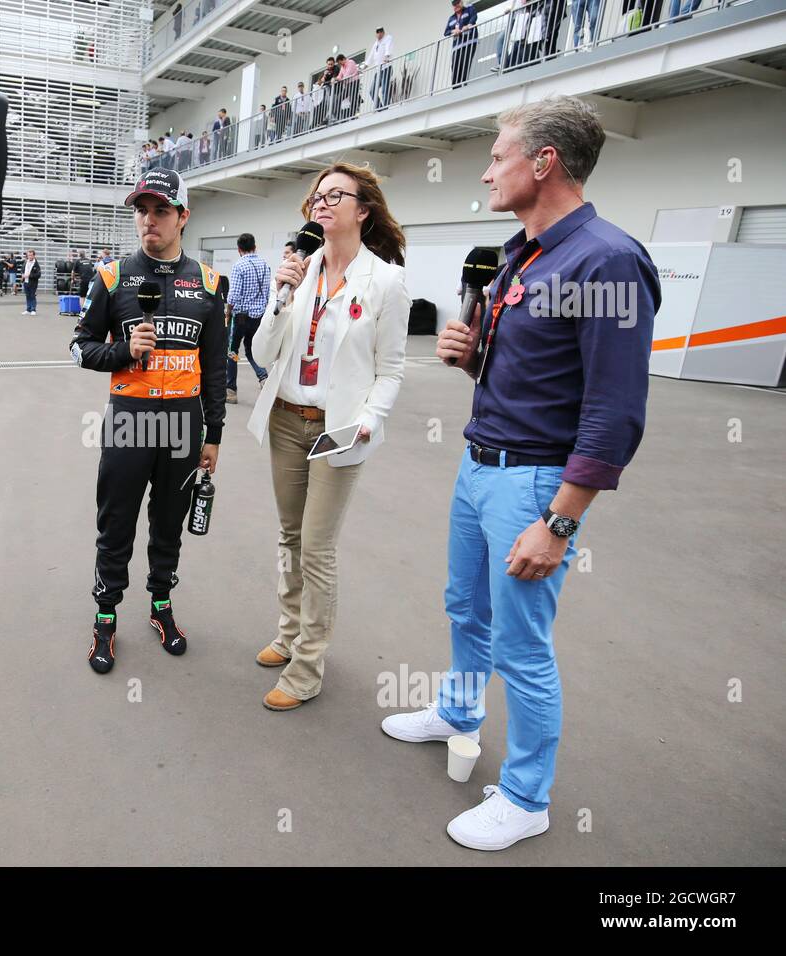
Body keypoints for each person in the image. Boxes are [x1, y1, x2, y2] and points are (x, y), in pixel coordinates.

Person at [388, 96, 659, 851]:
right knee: (464, 610)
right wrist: (471, 356)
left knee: (522, 645)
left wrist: (560, 521)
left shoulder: (605, 259)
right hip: (479, 467)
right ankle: (458, 711)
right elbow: (539, 373)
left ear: (544, 163)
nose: (484, 173)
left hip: (534, 485)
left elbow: (613, 411)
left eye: (498, 157)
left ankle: (527, 796)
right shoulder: (523, 253)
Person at [246, 163, 410, 712]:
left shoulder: (384, 281)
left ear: (362, 210)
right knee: (289, 536)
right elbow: (264, 354)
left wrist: (370, 417)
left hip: (340, 428)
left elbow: (391, 369)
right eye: (317, 195)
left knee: (317, 548)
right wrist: (280, 296)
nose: (321, 202)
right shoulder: (301, 269)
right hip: (287, 419)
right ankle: (289, 634)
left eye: (335, 195)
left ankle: (307, 667)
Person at [69, 167, 226, 675]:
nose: (148, 220)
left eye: (160, 210)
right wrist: (119, 351)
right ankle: (105, 616)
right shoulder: (112, 276)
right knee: (116, 522)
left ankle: (161, 606)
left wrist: (214, 434)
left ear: (183, 216)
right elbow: (79, 347)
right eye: (142, 210)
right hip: (130, 423)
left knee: (168, 524)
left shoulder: (209, 282)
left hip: (184, 424)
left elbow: (216, 367)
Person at [224, 232, 272, 404]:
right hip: (258, 317)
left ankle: (230, 391)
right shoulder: (265, 265)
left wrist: (228, 312)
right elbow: (267, 293)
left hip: (241, 317)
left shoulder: (239, 266)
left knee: (232, 351)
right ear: (255, 247)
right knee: (251, 348)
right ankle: (264, 378)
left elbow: (233, 295)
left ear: (239, 249)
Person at [446, 1, 479, 88]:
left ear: (461, 2)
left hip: (469, 43)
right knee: (455, 69)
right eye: (454, 4)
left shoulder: (469, 9)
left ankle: (463, 87)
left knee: (465, 65)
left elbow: (474, 16)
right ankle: (455, 89)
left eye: (457, 3)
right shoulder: (451, 18)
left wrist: (468, 25)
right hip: (457, 47)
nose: (456, 6)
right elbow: (446, 32)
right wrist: (453, 31)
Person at [369, 27, 394, 109]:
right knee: (372, 91)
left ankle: (386, 107)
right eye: (377, 32)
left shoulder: (387, 38)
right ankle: (380, 108)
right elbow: (371, 56)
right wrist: (364, 66)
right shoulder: (376, 44)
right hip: (378, 70)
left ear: (383, 32)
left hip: (386, 68)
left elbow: (388, 48)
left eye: (380, 32)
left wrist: (387, 56)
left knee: (384, 90)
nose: (379, 34)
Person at [21, 249, 41, 315]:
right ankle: (28, 309)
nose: (29, 256)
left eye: (31, 255)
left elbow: (38, 275)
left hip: (33, 283)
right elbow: (22, 269)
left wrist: (30, 275)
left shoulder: (36, 264)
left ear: (34, 256)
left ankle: (33, 310)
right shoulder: (25, 262)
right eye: (28, 255)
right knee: (27, 296)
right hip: (26, 282)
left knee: (32, 295)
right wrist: (22, 275)